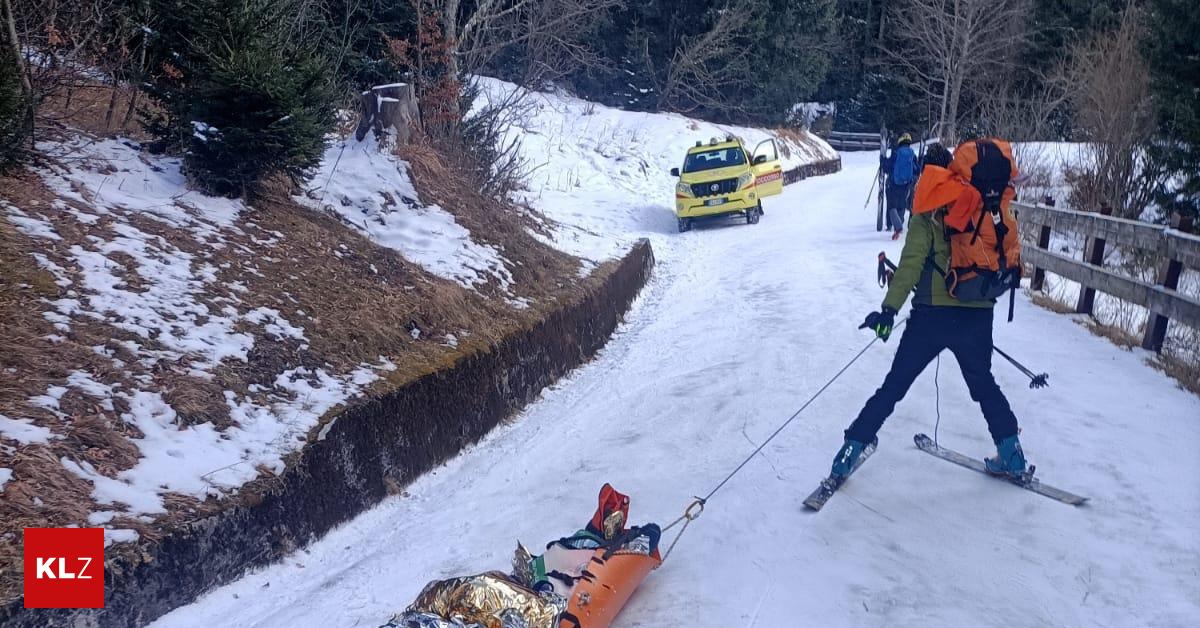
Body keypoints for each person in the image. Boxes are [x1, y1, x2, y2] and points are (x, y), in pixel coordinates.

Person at [829, 141, 1029, 481]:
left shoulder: (928, 210)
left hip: (931, 317)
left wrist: (889, 310)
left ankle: (849, 451)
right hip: (978, 312)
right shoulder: (987, 204)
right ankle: (1011, 454)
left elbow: (910, 265)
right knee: (983, 385)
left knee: (893, 387)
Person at [880, 133, 919, 239]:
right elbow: (917, 169)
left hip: (893, 184)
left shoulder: (896, 153)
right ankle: (900, 223)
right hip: (906, 184)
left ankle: (892, 226)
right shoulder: (912, 154)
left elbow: (887, 167)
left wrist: (882, 160)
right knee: (901, 204)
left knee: (892, 206)